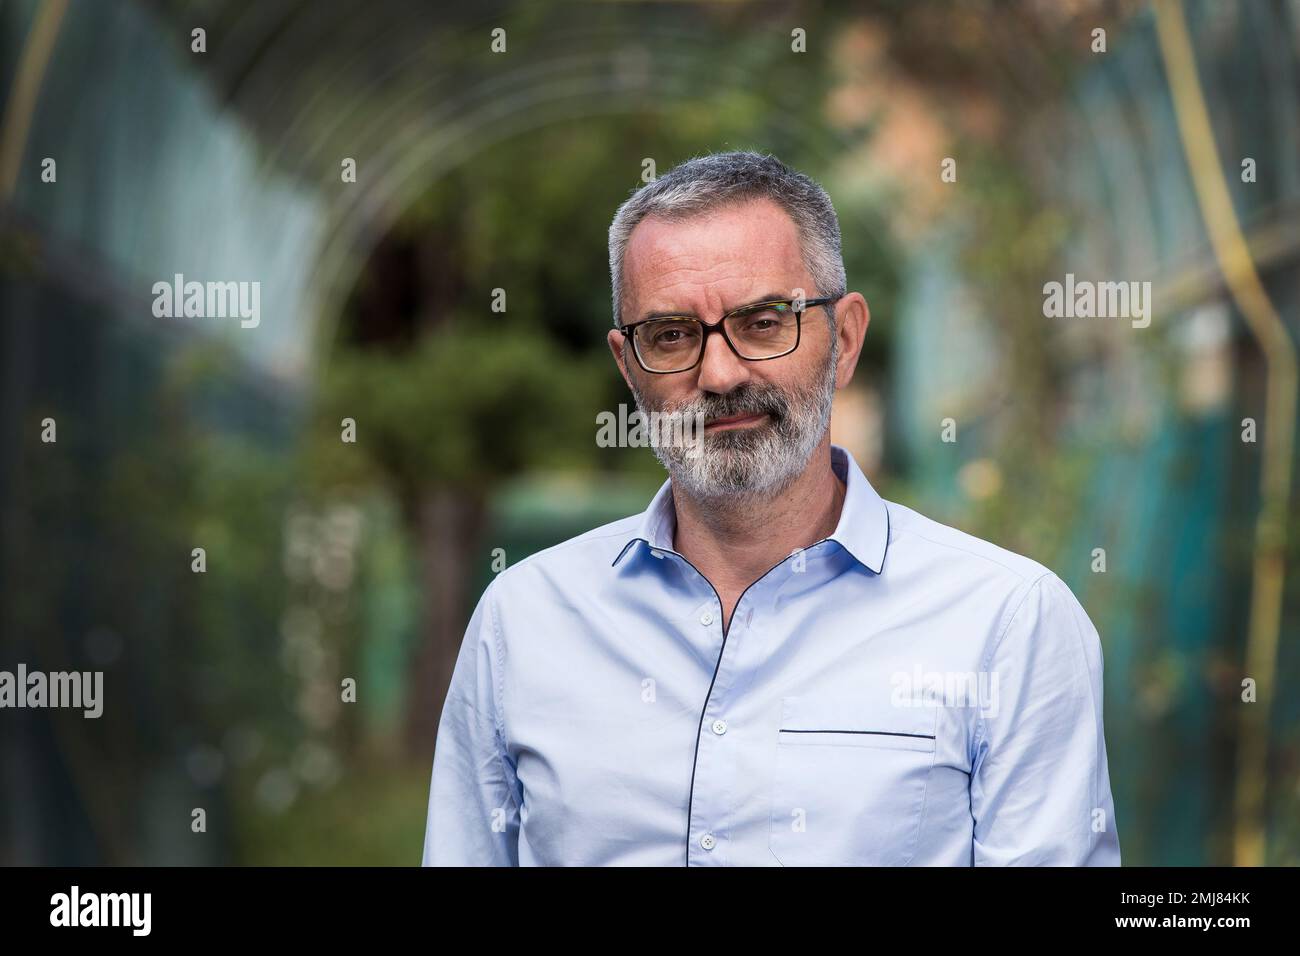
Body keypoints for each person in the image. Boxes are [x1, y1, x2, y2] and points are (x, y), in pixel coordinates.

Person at [422, 151, 1120, 866]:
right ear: (628, 366)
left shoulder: (1006, 625)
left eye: (762, 322)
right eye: (670, 335)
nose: (719, 374)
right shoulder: (524, 622)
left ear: (843, 340)